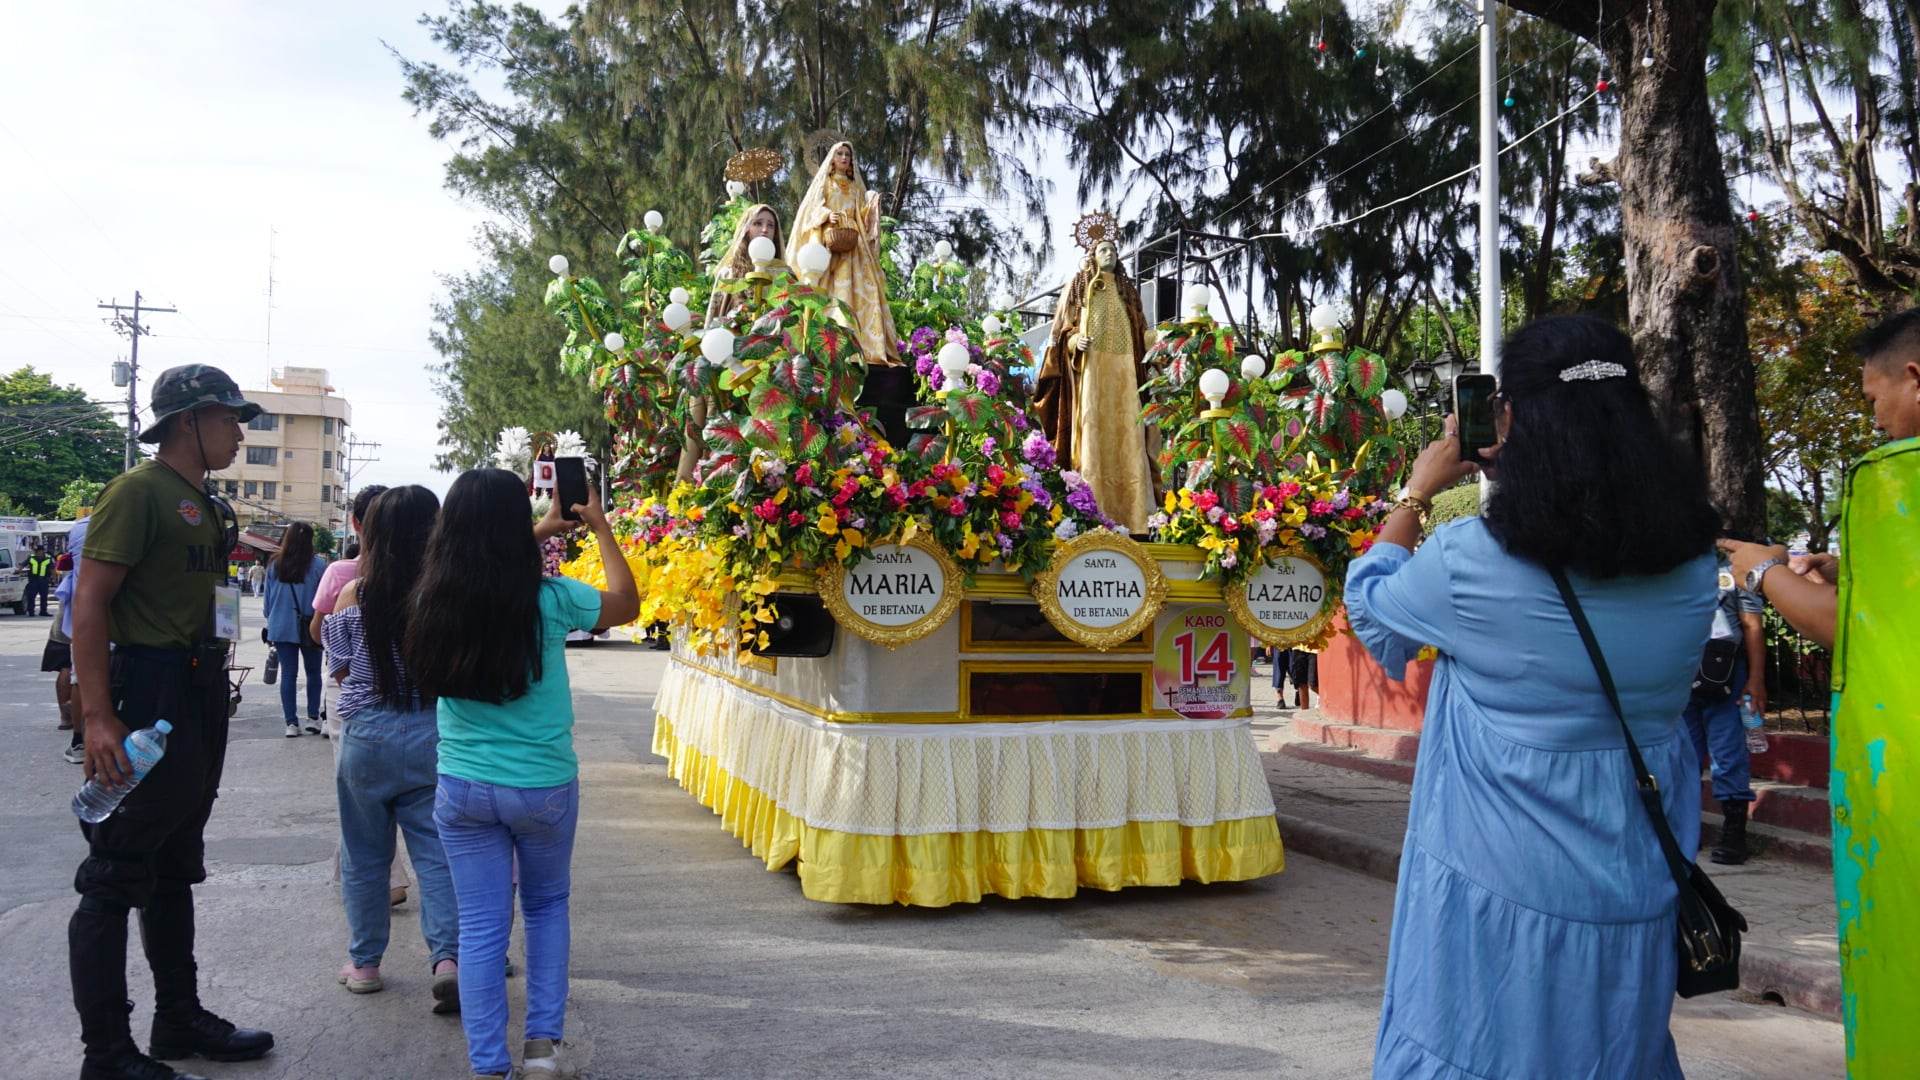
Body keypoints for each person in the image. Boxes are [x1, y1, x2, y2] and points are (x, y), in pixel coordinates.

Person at [1344, 316, 1720, 1078]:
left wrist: (1418, 490)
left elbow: (1373, 612)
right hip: (1638, 868)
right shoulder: (1692, 563)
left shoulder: (1468, 561)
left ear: (1514, 419)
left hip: (1499, 883)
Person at [1721, 305, 1920, 1076]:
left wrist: (1762, 570)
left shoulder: (1898, 478)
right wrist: (1849, 565)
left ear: (1913, 377)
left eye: (1874, 397)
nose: (1874, 418)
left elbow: (1850, 630)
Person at [70, 363, 275, 1080]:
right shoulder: (137, 494)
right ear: (188, 421)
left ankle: (177, 1020)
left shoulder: (211, 507)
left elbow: (216, 596)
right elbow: (89, 604)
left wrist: (217, 671)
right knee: (116, 869)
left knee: (173, 862)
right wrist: (99, 717)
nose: (239, 432)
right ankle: (107, 1054)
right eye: (228, 418)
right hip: (147, 686)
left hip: (198, 685)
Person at [406, 469, 638, 1080]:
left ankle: (489, 1066)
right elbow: (626, 603)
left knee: (480, 928)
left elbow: (478, 558)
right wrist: (599, 527)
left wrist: (532, 532)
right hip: (543, 787)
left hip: (462, 790)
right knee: (545, 908)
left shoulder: (431, 599)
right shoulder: (553, 598)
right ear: (517, 526)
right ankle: (541, 1048)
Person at [321, 485, 462, 1012]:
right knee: (438, 856)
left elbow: (338, 671)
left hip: (368, 736)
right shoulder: (445, 595)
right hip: (434, 732)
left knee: (364, 856)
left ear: (371, 533)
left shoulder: (352, 594)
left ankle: (364, 964)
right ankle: (447, 960)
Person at [1034, 218, 1155, 533]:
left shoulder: (1128, 292)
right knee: (1092, 432)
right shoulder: (1078, 287)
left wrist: (1157, 341)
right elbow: (1060, 333)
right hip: (1092, 375)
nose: (1109, 253)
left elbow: (1142, 330)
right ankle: (1091, 512)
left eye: (1113, 249)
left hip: (1126, 373)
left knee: (1130, 435)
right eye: (1103, 249)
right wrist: (1075, 342)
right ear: (1092, 254)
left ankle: (1135, 517)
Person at [682, 206, 786, 481]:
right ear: (746, 229)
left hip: (770, 365)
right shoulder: (730, 272)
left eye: (771, 225)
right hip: (730, 361)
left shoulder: (784, 273)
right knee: (723, 424)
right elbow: (711, 322)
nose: (765, 229)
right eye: (758, 223)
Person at [1679, 541, 1766, 864]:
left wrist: (1756, 680)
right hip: (1682, 668)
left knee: (1727, 752)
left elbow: (1752, 625)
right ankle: (1687, 830)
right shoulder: (1673, 569)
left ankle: (1734, 832)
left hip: (1725, 671)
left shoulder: (1735, 571)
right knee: (1684, 756)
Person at [261, 522, 327, 737]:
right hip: (311, 626)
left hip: (280, 626)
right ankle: (313, 718)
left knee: (288, 675)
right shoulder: (318, 565)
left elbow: (267, 602)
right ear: (310, 540)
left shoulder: (274, 565)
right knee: (313, 673)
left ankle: (291, 723)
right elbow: (324, 600)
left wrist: (271, 619)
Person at [54, 513, 92, 763]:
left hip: (82, 614)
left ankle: (79, 741)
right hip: (124, 614)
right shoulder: (135, 521)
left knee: (80, 678)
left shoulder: (79, 528)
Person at [25, 540, 54, 615]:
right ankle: (31, 611)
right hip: (33, 580)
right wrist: (18, 570)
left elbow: (52, 569)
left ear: (43, 551)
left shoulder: (48, 558)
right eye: (37, 551)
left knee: (44, 597)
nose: (38, 553)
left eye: (40, 551)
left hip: (44, 580)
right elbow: (23, 564)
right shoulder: (31, 558)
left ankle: (43, 611)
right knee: (31, 596)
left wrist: (53, 578)